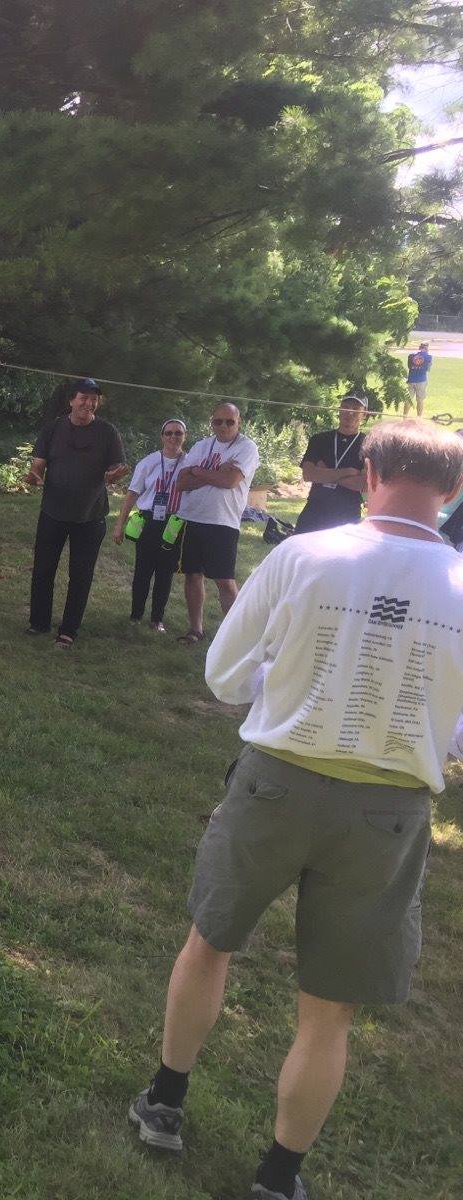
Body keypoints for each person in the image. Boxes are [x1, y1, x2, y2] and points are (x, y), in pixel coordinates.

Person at [128, 418, 463, 1200]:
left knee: (210, 943)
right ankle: (280, 1176)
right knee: (330, 1009)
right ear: (451, 493)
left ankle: (165, 1102)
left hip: (277, 780)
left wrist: (281, 683)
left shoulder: (305, 554)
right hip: (389, 810)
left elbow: (223, 674)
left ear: (368, 472)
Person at [24, 379, 127, 647]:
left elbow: (115, 469)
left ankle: (69, 630)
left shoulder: (107, 432)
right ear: (71, 400)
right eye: (83, 397)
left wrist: (115, 474)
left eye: (93, 399)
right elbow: (38, 466)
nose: (88, 403)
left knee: (81, 575)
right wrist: (34, 476)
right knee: (43, 569)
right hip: (53, 512)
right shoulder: (53, 429)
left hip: (90, 516)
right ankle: (39, 623)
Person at [175, 402, 260, 645]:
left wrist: (198, 472)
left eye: (229, 421)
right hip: (192, 517)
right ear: (211, 422)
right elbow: (181, 482)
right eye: (217, 421)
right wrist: (213, 473)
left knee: (224, 580)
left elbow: (230, 480)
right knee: (192, 575)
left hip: (222, 521)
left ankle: (236, 637)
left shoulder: (246, 447)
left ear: (239, 422)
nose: (223, 426)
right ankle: (195, 629)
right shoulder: (203, 445)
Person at [112, 419, 188, 632]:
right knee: (143, 570)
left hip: (174, 523)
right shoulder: (148, 462)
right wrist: (120, 524)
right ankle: (136, 615)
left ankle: (157, 619)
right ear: (162, 436)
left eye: (178, 433)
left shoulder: (191, 464)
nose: (173, 437)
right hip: (149, 521)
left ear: (185, 436)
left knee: (165, 573)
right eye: (169, 433)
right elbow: (132, 494)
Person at [293, 394, 367, 534]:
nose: (349, 413)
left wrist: (324, 473)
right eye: (345, 407)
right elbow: (309, 474)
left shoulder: (369, 444)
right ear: (339, 410)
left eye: (356, 409)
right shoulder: (319, 439)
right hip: (315, 511)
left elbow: (364, 485)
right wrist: (348, 472)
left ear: (364, 414)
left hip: (347, 515)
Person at [405, 341, 431, 416]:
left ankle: (404, 416)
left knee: (408, 399)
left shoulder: (411, 356)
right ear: (426, 348)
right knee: (420, 400)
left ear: (420, 347)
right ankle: (419, 417)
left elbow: (409, 367)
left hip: (411, 379)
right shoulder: (428, 357)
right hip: (421, 380)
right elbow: (428, 369)